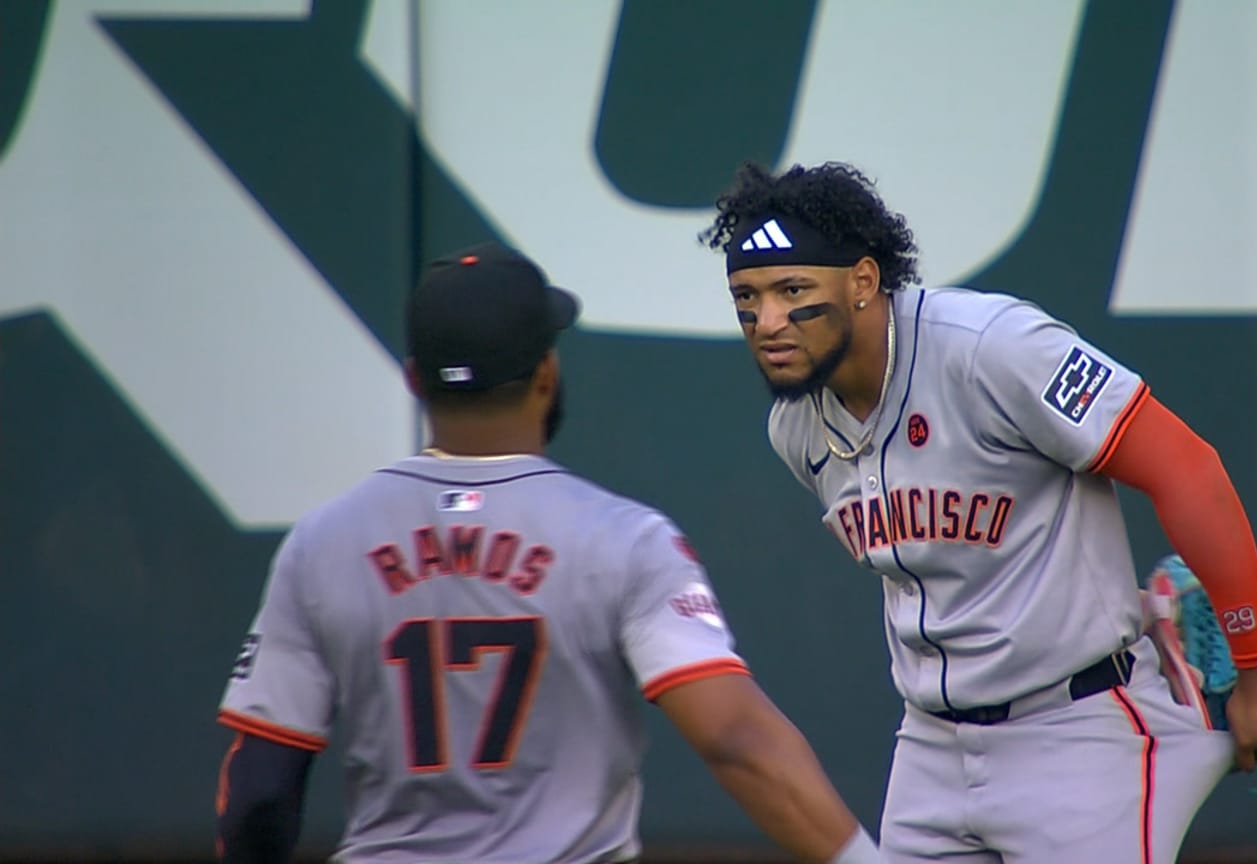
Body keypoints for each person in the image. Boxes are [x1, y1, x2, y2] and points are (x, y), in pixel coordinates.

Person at [700, 162, 1257, 864]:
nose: (766, 320)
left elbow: (1188, 471)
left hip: (1072, 736)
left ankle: (1176, 687)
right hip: (928, 747)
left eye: (793, 290)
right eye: (747, 296)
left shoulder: (991, 348)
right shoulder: (796, 430)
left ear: (863, 282)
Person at [214, 242, 882, 864]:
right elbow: (736, 739)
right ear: (545, 373)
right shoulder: (621, 539)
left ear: (416, 382)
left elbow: (261, 791)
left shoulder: (323, 543)